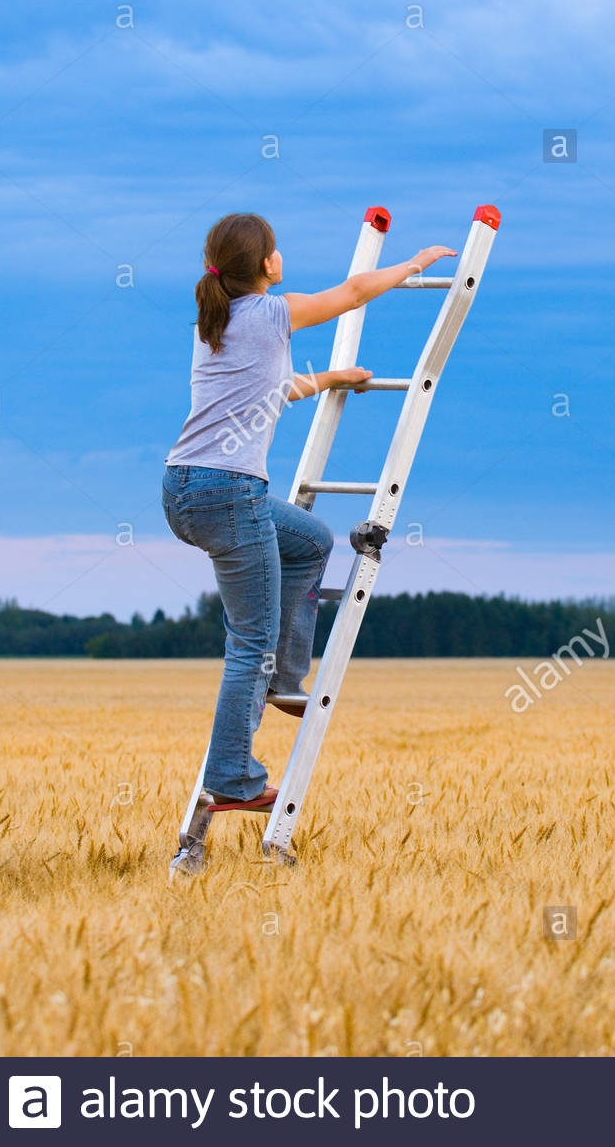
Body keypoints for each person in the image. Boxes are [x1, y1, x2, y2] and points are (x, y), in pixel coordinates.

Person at [162, 212, 457, 811]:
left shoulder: (213, 323)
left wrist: (330, 378)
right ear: (266, 263)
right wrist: (412, 266)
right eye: (277, 247)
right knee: (249, 641)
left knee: (311, 540)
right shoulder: (271, 312)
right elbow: (350, 294)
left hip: (183, 487)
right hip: (230, 491)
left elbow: (268, 389)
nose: (281, 253)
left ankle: (284, 677)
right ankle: (234, 780)